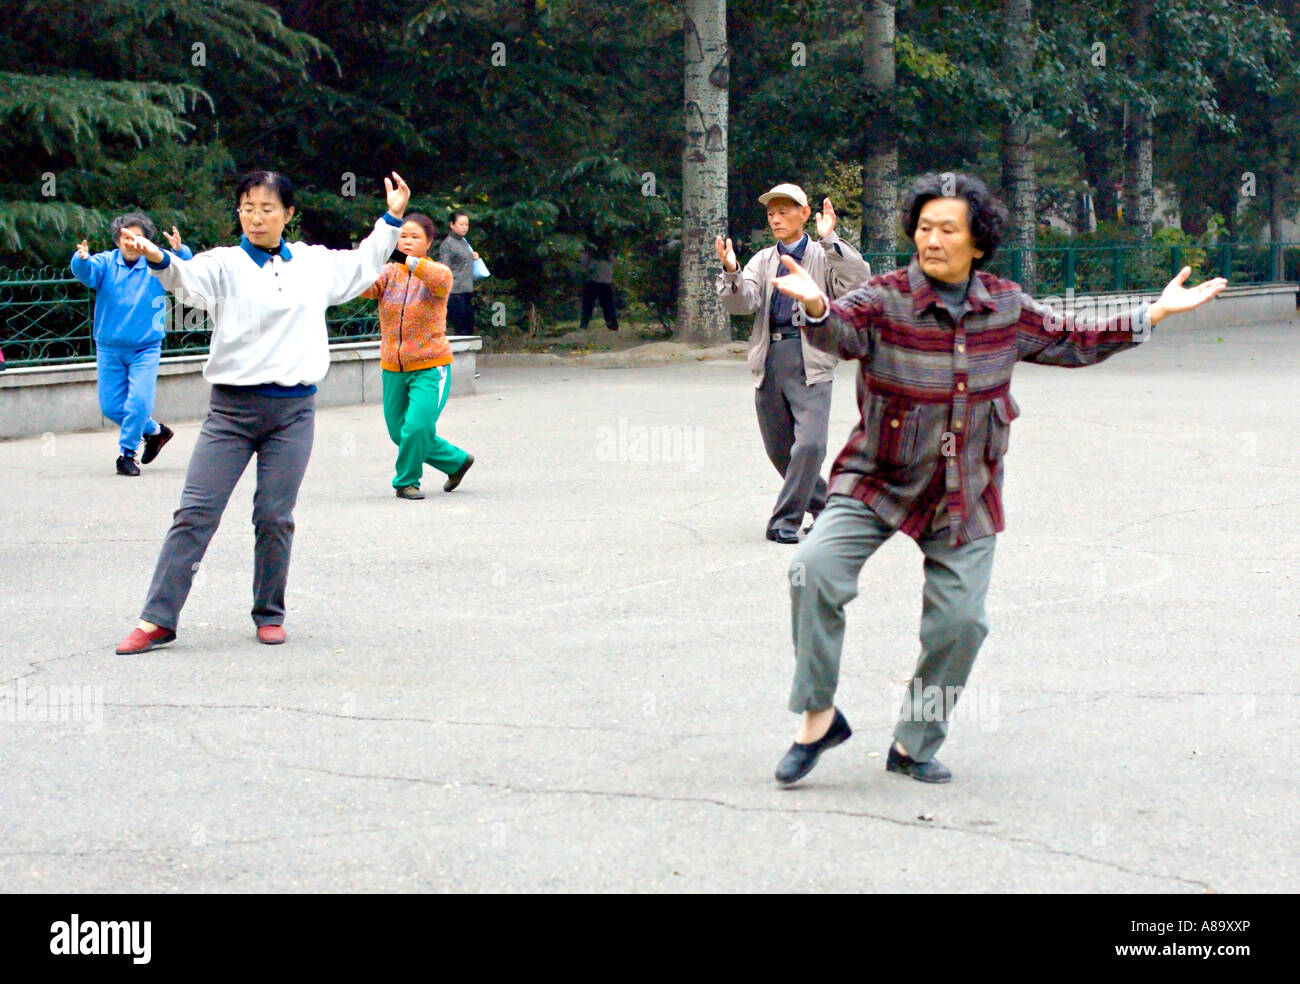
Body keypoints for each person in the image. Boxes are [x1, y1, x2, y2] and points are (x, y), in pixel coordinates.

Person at [767, 171, 1227, 786]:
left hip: (965, 489)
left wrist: (1153, 314)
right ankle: (819, 718)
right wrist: (818, 304)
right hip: (877, 475)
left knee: (961, 624)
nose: (932, 239)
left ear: (977, 242)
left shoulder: (1005, 306)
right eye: (924, 227)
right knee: (813, 569)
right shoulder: (886, 297)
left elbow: (1074, 339)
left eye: (947, 229)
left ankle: (913, 742)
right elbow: (841, 328)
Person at [113, 169, 412, 655]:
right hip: (230, 412)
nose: (256, 218)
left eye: (267, 208)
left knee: (274, 515)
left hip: (293, 412)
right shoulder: (225, 264)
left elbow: (363, 264)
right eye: (247, 208)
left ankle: (269, 613)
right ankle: (157, 619)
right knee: (195, 513)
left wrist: (391, 217)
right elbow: (185, 280)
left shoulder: (313, 264)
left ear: (288, 215)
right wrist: (157, 257)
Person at [716, 183, 871, 544]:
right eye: (771, 213)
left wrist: (832, 239)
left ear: (805, 214)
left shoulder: (823, 255)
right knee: (780, 451)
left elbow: (857, 281)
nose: (776, 218)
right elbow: (743, 304)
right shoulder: (762, 260)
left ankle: (783, 521)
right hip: (770, 359)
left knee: (810, 447)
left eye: (785, 210)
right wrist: (731, 270)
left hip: (811, 361)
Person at [361, 212, 474, 500]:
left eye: (414, 237)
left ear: (429, 241)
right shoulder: (387, 274)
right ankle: (456, 461)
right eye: (403, 237)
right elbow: (365, 288)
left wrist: (406, 260)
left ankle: (406, 482)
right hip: (393, 367)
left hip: (430, 365)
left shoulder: (438, 273)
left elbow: (439, 279)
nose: (407, 242)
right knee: (400, 433)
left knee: (417, 427)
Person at [70, 213, 193, 475]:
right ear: (118, 239)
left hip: (146, 347)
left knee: (138, 404)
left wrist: (178, 249)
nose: (131, 242)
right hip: (109, 347)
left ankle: (127, 455)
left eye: (137, 237)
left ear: (146, 241)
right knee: (112, 407)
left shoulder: (155, 262)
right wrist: (80, 260)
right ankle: (156, 432)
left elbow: (184, 265)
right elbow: (87, 272)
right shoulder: (105, 262)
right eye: (126, 237)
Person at [439, 210, 479, 336]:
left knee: (469, 327)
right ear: (452, 224)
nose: (464, 227)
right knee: (461, 330)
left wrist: (473, 256)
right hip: (455, 293)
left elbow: (464, 261)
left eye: (466, 225)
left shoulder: (464, 242)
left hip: (467, 290)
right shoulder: (448, 244)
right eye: (461, 224)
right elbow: (444, 269)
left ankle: (468, 356)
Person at [579, 246, 618, 331]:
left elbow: (587, 267)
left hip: (600, 283)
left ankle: (612, 326)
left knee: (605, 306)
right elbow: (584, 266)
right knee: (590, 305)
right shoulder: (598, 257)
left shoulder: (606, 257)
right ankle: (584, 324)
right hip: (596, 282)